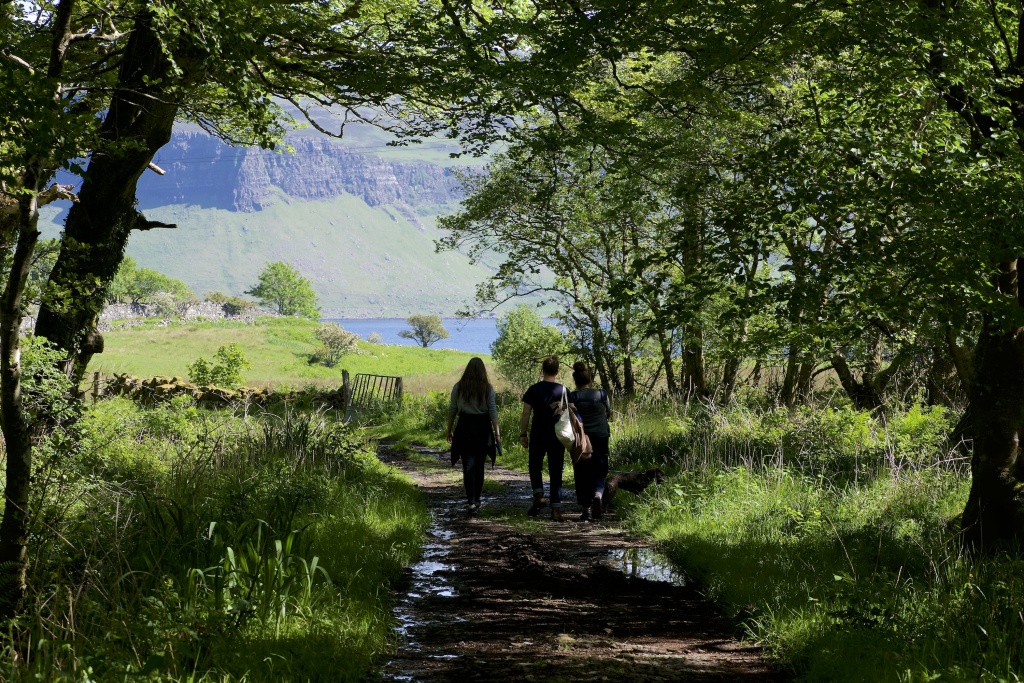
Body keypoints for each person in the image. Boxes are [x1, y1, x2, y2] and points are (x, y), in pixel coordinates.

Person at [447, 357, 499, 513]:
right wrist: (497, 433)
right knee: (479, 465)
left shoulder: (459, 387)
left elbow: (452, 409)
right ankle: (476, 499)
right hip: (483, 427)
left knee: (468, 465)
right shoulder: (487, 388)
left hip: (464, 426)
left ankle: (471, 501)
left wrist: (449, 429)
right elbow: (492, 411)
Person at [519, 355, 567, 521]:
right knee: (556, 470)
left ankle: (539, 495)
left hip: (538, 433)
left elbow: (526, 413)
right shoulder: (563, 390)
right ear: (557, 372)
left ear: (543, 370)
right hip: (557, 435)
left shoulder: (534, 389)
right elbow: (571, 411)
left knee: (535, 466)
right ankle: (555, 509)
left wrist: (523, 434)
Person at [568, 361, 612, 521]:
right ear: (590, 379)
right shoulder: (602, 394)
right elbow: (608, 413)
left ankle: (586, 508)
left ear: (576, 381)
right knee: (600, 468)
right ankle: (598, 495)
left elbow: (570, 418)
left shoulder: (573, 396)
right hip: (601, 435)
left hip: (582, 438)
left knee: (581, 471)